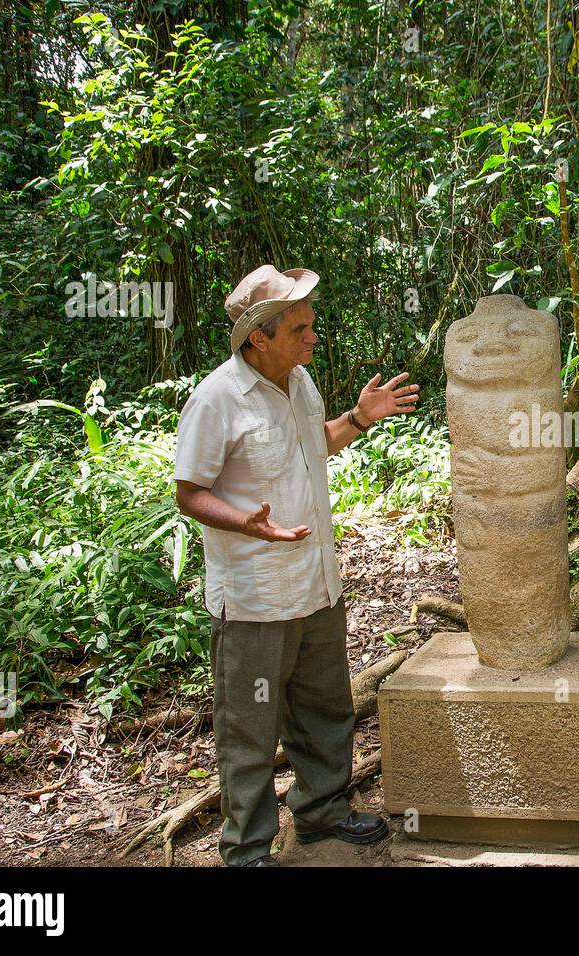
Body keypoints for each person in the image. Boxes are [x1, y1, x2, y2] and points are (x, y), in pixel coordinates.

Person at [174, 264, 419, 866]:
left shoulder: (300, 382)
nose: (313, 337)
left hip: (316, 583)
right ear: (260, 336)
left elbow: (316, 445)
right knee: (250, 726)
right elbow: (188, 491)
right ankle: (248, 848)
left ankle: (321, 812)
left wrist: (360, 419)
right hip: (256, 595)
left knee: (324, 706)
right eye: (301, 328)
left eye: (311, 325)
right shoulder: (216, 398)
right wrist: (244, 522)